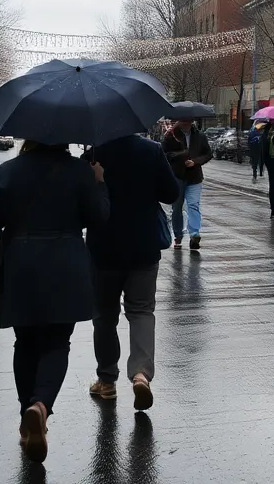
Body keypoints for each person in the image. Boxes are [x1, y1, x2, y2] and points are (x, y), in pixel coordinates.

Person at [0, 140, 110, 464]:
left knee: (24, 342)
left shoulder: (9, 170)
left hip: (21, 262)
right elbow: (98, 218)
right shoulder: (80, 171)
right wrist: (99, 182)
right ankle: (41, 406)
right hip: (65, 262)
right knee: (57, 341)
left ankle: (28, 412)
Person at [87, 134, 180, 410]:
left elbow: (84, 202)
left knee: (104, 316)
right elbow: (171, 193)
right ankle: (140, 375)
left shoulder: (95, 153)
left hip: (104, 249)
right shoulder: (151, 151)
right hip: (143, 247)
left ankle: (106, 381)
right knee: (141, 311)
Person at [161, 117, 211, 250]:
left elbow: (208, 153)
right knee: (177, 207)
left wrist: (195, 161)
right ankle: (178, 235)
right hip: (177, 176)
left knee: (193, 205)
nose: (186, 123)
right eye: (183, 121)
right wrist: (181, 155)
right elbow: (164, 154)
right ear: (178, 121)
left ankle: (194, 234)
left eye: (189, 121)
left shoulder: (199, 136)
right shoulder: (170, 136)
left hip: (194, 177)